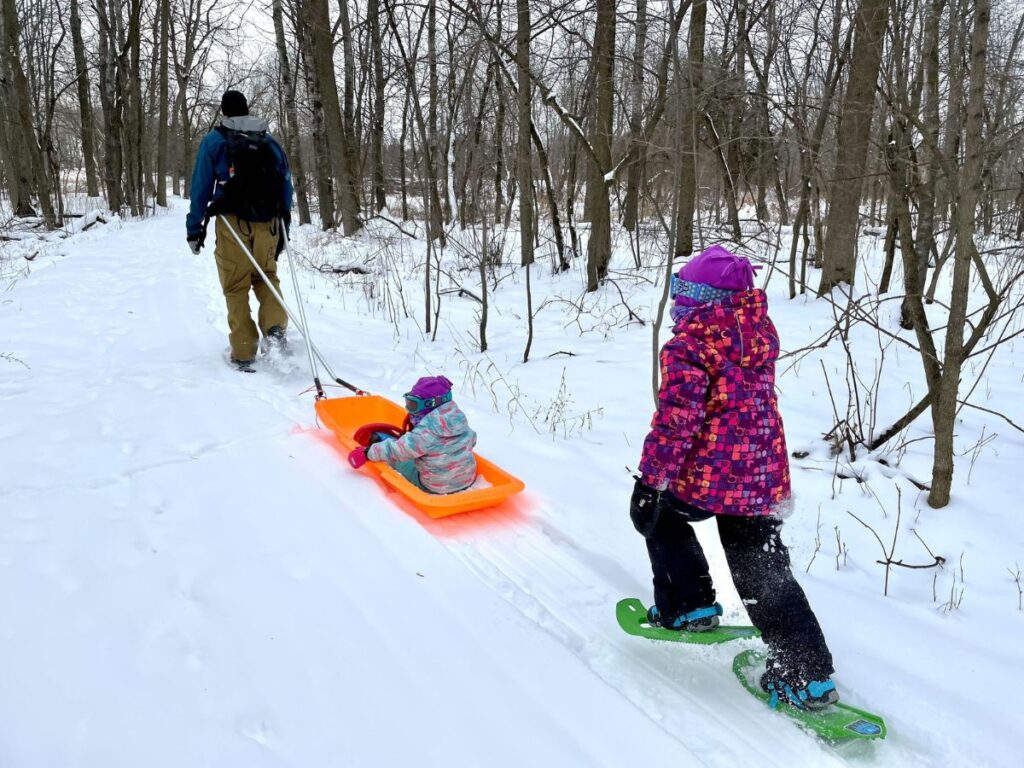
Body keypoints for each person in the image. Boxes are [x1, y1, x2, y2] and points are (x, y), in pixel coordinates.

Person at [629, 244, 839, 711]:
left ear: (699, 302)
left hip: (711, 477)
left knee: (660, 516)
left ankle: (687, 606)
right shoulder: (757, 335)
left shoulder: (688, 346)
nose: (678, 307)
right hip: (762, 479)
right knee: (762, 568)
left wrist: (650, 481)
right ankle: (807, 671)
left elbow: (677, 420)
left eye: (682, 296)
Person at [186, 90, 294, 371]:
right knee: (266, 276)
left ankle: (244, 352)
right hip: (268, 223)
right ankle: (275, 331)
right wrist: (284, 223)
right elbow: (285, 183)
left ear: (224, 112)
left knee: (236, 285)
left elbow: (201, 186)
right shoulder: (269, 141)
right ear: (247, 110)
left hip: (233, 224)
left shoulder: (214, 141)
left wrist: (194, 228)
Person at [348, 376, 478, 495]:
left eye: (413, 405)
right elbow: (472, 440)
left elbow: (396, 451)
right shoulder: (460, 420)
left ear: (430, 404)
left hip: (435, 486)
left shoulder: (424, 434)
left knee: (401, 460)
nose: (409, 408)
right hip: (467, 479)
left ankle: (384, 440)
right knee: (420, 450)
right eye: (408, 403)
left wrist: (366, 453)